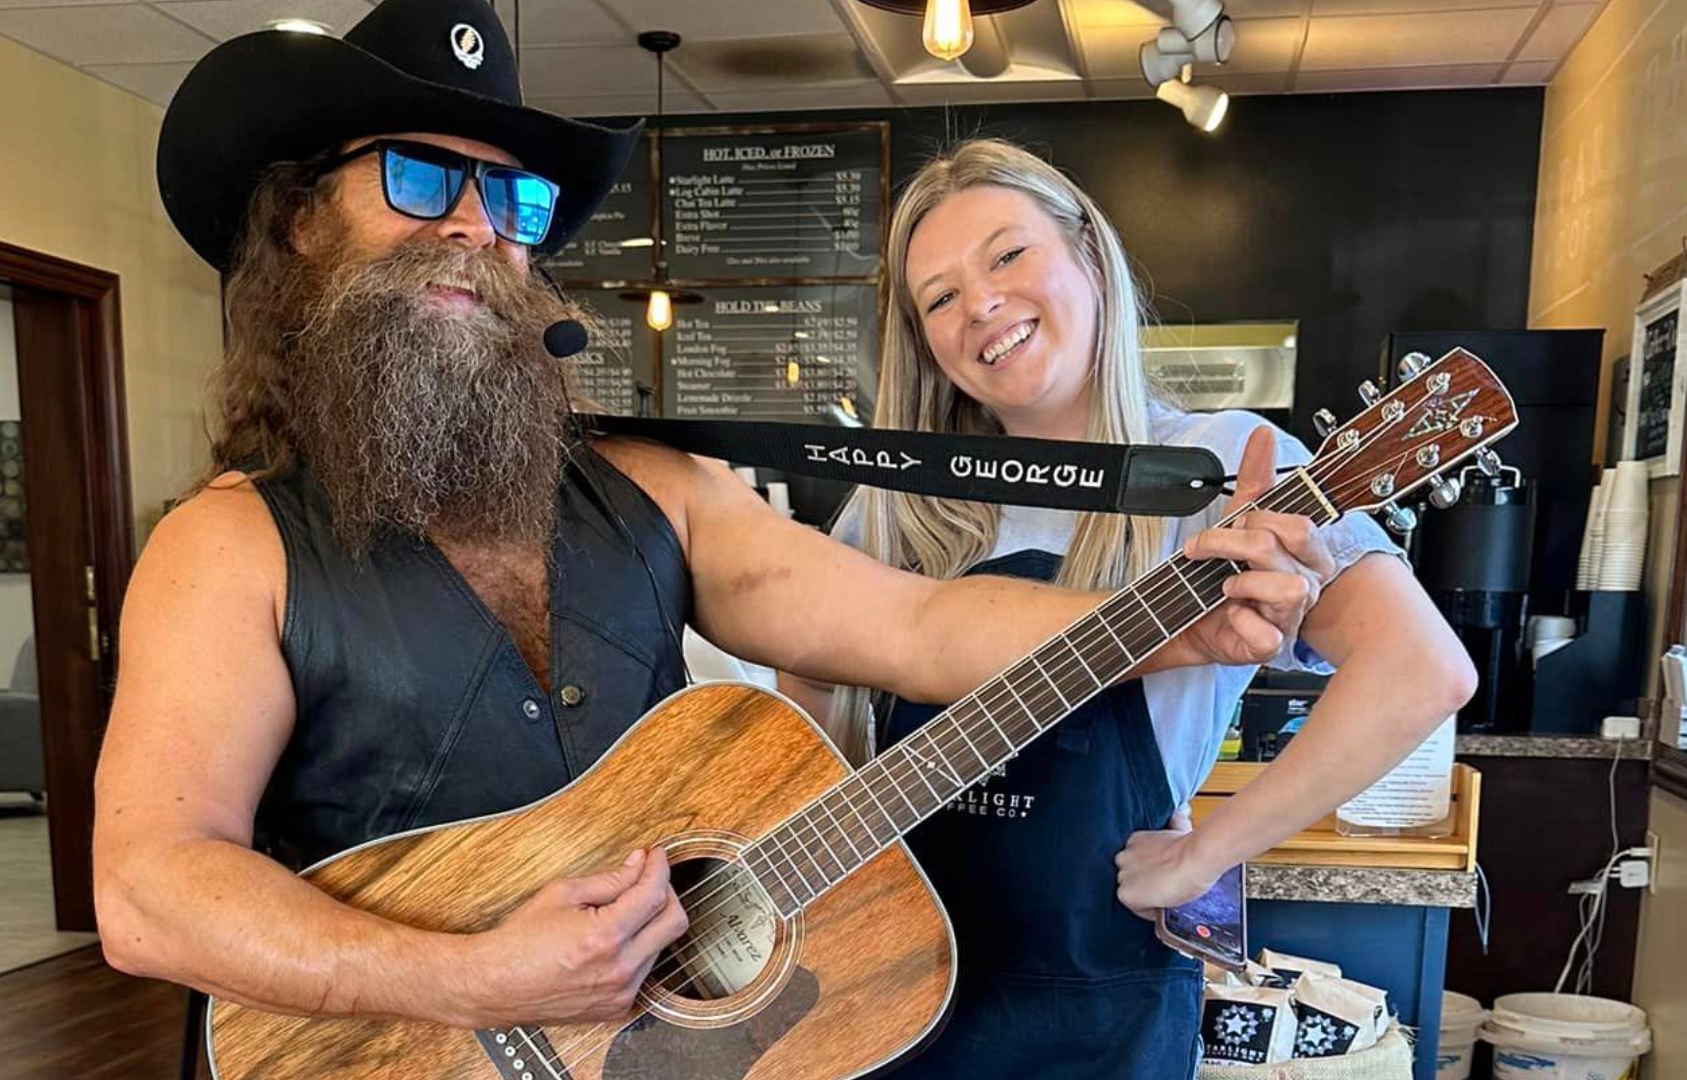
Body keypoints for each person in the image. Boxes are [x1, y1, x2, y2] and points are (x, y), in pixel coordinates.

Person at [93, 0, 1434, 1047]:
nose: (478, 231)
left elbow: (910, 622)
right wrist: (468, 978)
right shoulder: (228, 549)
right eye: (420, 176)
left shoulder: (652, 489)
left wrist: (1178, 625)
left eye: (513, 199)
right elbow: (149, 888)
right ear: (300, 223)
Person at [777, 139, 1474, 1079]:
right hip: (889, 985)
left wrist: (1210, 855)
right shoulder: (903, 498)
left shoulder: (1229, 465)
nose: (980, 304)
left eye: (1007, 255)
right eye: (938, 297)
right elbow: (812, 692)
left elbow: (1424, 670)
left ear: (1089, 255)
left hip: (1103, 1003)